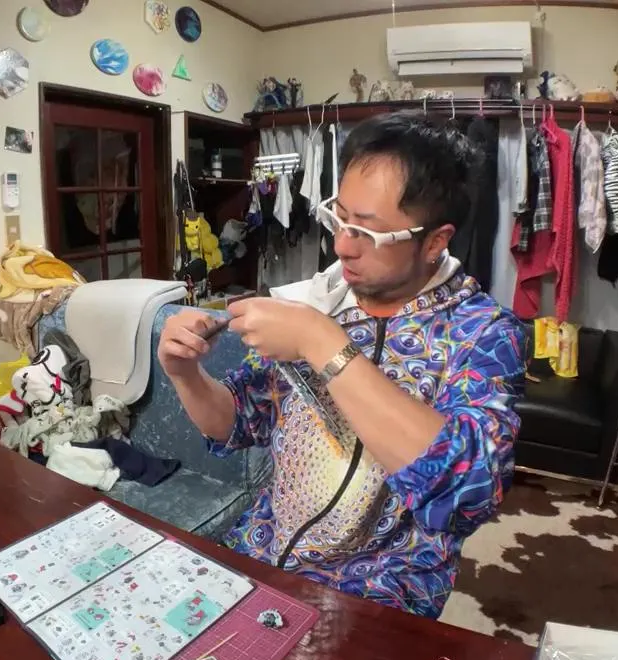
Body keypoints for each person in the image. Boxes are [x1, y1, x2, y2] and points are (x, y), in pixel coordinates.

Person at [158, 111, 526, 618]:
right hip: (261, 555)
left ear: (435, 241)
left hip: (377, 597)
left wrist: (321, 341)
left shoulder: (483, 333)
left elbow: (467, 493)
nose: (341, 245)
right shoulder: (319, 299)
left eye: (367, 232)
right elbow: (240, 420)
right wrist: (185, 373)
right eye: (340, 218)